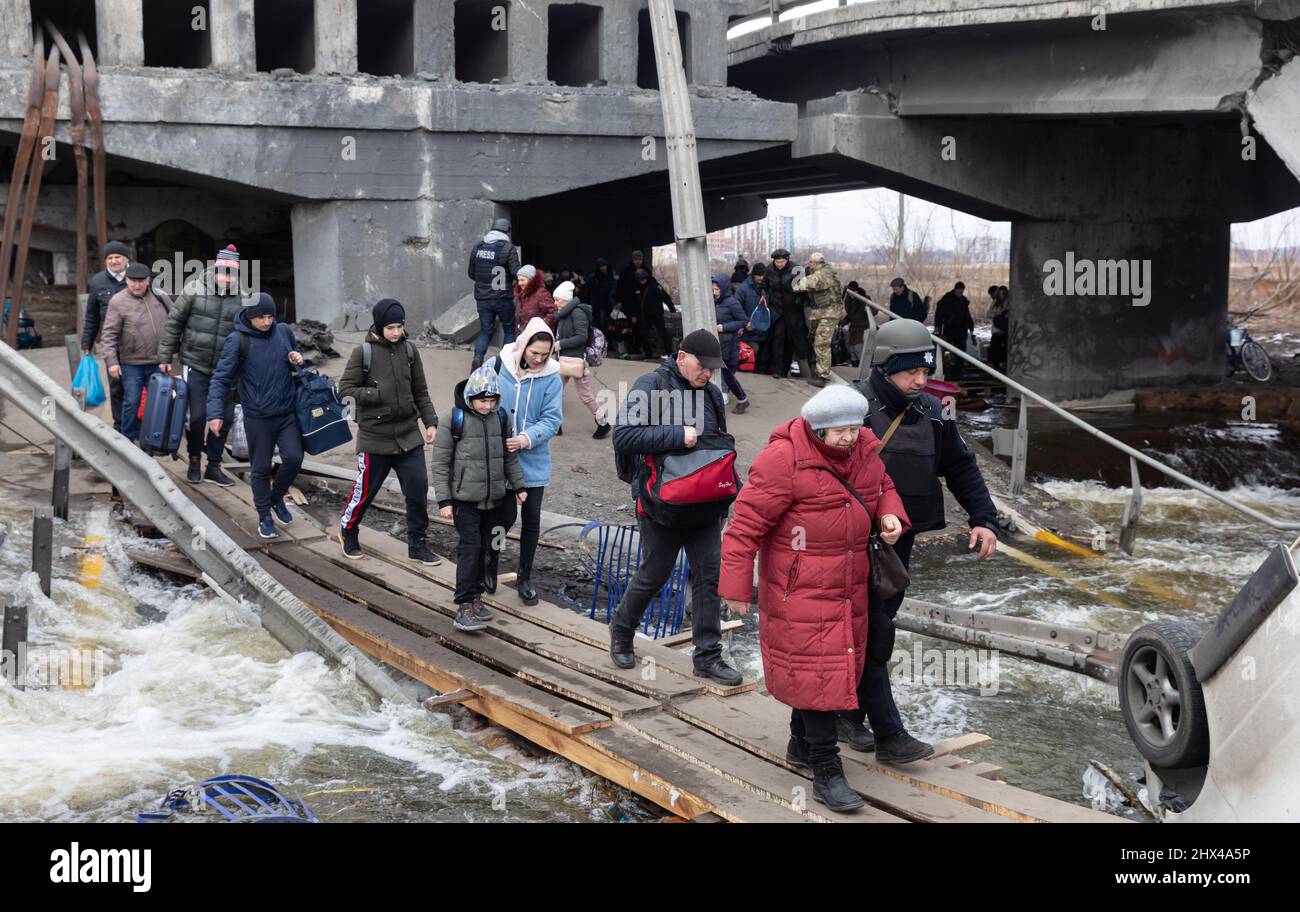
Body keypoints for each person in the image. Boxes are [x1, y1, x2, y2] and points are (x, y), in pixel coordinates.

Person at [719, 386, 907, 812]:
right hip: (798, 590)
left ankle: (800, 743)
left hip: (849, 587)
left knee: (831, 669)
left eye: (854, 429)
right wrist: (735, 588)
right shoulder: (782, 461)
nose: (849, 438)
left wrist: (890, 515)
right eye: (839, 431)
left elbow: (885, 486)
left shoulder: (865, 452)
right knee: (821, 672)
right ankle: (826, 769)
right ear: (817, 428)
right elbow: (744, 526)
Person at [840, 318, 1000, 762]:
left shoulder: (934, 411)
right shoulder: (850, 406)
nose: (921, 381)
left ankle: (847, 715)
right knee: (873, 630)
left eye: (926, 372)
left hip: (899, 543)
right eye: (912, 372)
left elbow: (962, 467)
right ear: (887, 366)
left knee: (874, 628)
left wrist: (984, 518)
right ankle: (888, 734)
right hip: (849, 542)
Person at [608, 330, 743, 687]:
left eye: (714, 369)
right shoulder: (651, 385)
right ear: (682, 357)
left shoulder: (713, 395)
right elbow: (622, 435)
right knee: (656, 573)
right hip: (659, 502)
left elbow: (719, 450)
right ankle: (622, 630)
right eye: (703, 366)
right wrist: (675, 434)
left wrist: (728, 496)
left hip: (705, 504)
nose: (708, 374)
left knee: (709, 577)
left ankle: (707, 656)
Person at [336, 299, 441, 565]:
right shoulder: (364, 353)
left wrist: (431, 423)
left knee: (418, 491)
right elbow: (345, 391)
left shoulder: (410, 351)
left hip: (408, 436)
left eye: (400, 326)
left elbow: (421, 391)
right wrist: (375, 394)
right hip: (376, 438)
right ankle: (348, 530)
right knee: (365, 493)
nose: (396, 332)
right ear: (379, 325)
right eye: (390, 327)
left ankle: (417, 544)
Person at [430, 363, 527, 633]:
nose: (487, 406)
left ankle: (476, 597)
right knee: (470, 549)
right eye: (482, 401)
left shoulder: (501, 418)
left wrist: (519, 486)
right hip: (464, 500)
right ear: (471, 397)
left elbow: (508, 457)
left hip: (493, 498)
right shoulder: (453, 419)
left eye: (492, 400)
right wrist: (444, 501)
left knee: (487, 548)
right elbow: (440, 463)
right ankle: (463, 606)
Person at [206, 294, 306, 541]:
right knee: (260, 468)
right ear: (250, 316)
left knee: (294, 458)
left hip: (286, 411)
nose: (267, 322)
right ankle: (264, 516)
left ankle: (276, 498)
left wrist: (297, 359)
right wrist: (215, 412)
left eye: (270, 316)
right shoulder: (237, 340)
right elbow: (221, 379)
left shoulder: (283, 331)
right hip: (258, 416)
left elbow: (296, 358)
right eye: (261, 317)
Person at [156, 243, 246, 486]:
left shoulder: (244, 298)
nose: (227, 278)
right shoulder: (194, 290)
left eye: (232, 274)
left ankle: (213, 466)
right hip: (195, 363)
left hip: (225, 369)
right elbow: (173, 324)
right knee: (197, 416)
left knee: (225, 417)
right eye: (223, 272)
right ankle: (194, 459)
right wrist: (165, 357)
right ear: (215, 271)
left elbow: (249, 336)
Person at [491, 317, 564, 606]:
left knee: (531, 518)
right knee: (502, 518)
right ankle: (490, 563)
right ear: (522, 346)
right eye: (534, 353)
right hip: (501, 457)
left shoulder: (551, 378)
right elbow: (476, 396)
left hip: (532, 458)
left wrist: (525, 438)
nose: (539, 359)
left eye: (545, 355)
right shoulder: (499, 366)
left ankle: (525, 576)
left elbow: (552, 419)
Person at [99, 263, 172, 443]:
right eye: (133, 281)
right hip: (132, 363)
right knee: (131, 402)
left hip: (158, 361)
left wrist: (169, 355)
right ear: (126, 280)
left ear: (148, 281)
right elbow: (108, 335)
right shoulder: (118, 301)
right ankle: (128, 440)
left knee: (159, 403)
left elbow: (175, 325)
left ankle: (153, 440)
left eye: (141, 281)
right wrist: (112, 362)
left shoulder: (160, 296)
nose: (137, 285)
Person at [80, 241, 131, 430]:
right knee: (117, 385)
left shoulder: (137, 277)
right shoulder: (98, 282)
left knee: (137, 385)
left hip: (136, 343)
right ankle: (120, 425)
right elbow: (92, 315)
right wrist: (87, 342)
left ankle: (140, 423)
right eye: (110, 258)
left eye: (118, 256)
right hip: (112, 343)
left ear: (126, 259)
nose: (114, 260)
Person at [553, 281, 612, 439]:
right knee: (554, 392)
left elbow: (582, 337)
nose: (555, 303)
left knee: (585, 395)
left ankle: (603, 423)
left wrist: (560, 344)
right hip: (564, 359)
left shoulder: (577, 313)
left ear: (565, 299)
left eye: (557, 299)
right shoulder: (564, 313)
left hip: (576, 360)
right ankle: (556, 424)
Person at [468, 217, 521, 370]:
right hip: (503, 298)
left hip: (483, 299)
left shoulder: (477, 248)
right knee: (509, 330)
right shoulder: (508, 249)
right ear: (507, 231)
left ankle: (478, 358)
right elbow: (516, 273)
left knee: (485, 331)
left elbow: (471, 273)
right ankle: (504, 364)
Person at [794, 252, 843, 387]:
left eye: (811, 263)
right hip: (822, 312)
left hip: (829, 312)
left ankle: (823, 376)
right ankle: (818, 371)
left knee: (821, 343)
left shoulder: (824, 273)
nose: (809, 265)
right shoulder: (823, 272)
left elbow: (804, 284)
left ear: (814, 263)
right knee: (814, 341)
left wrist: (798, 281)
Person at [766, 248, 813, 380]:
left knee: (795, 341)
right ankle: (778, 370)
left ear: (787, 260)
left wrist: (799, 299)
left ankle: (808, 370)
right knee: (778, 338)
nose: (779, 264)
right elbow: (765, 286)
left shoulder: (796, 269)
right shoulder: (769, 269)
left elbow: (804, 288)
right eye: (777, 262)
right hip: (778, 310)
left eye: (782, 261)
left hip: (793, 311)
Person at [712, 273, 749, 413]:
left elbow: (743, 321)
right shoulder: (717, 301)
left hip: (730, 344)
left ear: (724, 288)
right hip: (720, 343)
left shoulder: (732, 302)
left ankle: (743, 399)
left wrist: (724, 327)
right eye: (713, 289)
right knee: (722, 373)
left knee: (728, 376)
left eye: (717, 289)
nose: (715, 292)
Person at [630, 268, 675, 358]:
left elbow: (665, 297)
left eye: (643, 279)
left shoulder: (654, 286)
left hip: (657, 314)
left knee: (663, 334)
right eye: (640, 279)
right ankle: (648, 354)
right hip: (646, 316)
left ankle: (670, 354)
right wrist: (634, 315)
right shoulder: (637, 288)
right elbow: (635, 303)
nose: (642, 281)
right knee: (643, 334)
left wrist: (672, 310)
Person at [933, 281, 975, 375]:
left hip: (961, 329)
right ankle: (939, 368)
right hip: (949, 329)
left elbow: (967, 315)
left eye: (962, 291)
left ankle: (958, 369)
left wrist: (971, 326)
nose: (960, 293)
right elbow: (939, 314)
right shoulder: (946, 299)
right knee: (942, 349)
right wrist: (937, 326)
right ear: (955, 289)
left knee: (960, 350)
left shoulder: (963, 300)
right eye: (959, 291)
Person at [735, 262, 770, 373]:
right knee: (753, 351)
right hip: (748, 331)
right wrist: (745, 322)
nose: (761, 278)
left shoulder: (767, 287)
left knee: (764, 357)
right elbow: (736, 308)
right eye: (758, 275)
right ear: (753, 275)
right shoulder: (743, 288)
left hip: (764, 330)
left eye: (762, 276)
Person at [513, 264, 556, 333]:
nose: (519, 283)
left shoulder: (541, 293)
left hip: (537, 338)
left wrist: (540, 328)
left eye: (522, 280)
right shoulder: (521, 295)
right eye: (518, 280)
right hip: (523, 335)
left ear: (531, 280)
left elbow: (553, 313)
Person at [840, 281, 874, 365]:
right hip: (853, 327)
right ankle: (854, 364)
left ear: (856, 291)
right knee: (851, 348)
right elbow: (850, 315)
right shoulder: (849, 299)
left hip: (863, 326)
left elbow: (874, 311)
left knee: (858, 347)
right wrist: (842, 323)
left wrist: (868, 310)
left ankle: (863, 364)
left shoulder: (864, 298)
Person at [589, 257, 616, 332]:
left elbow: (613, 290)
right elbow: (593, 293)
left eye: (604, 265)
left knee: (611, 325)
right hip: (600, 305)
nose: (603, 268)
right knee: (602, 324)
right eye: (601, 266)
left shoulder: (611, 276)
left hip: (610, 304)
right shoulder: (595, 278)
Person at [988, 285, 1010, 372]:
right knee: (994, 349)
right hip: (997, 330)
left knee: (1005, 350)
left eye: (1003, 294)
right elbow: (989, 314)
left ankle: (1004, 366)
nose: (1001, 296)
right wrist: (999, 312)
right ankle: (996, 366)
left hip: (1006, 331)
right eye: (1000, 294)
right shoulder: (995, 302)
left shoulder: (1010, 302)